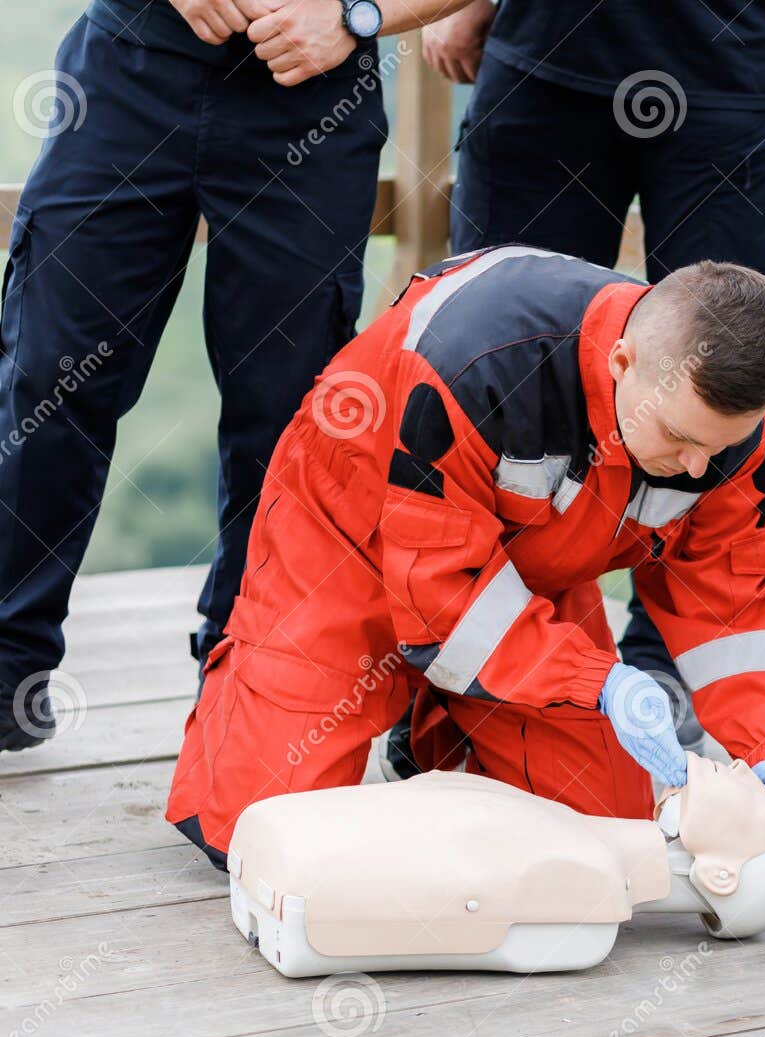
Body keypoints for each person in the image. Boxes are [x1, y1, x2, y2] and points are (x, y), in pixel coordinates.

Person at [165, 251, 765, 868]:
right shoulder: (475, 363)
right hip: (352, 527)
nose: (696, 465)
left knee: (602, 825)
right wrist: (596, 679)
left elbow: (737, 601)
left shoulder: (719, 432)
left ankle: (441, 717)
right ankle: (384, 687)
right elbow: (442, 593)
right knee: (262, 829)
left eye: (715, 447)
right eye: (681, 438)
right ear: (623, 362)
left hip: (526, 569)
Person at [0, 0, 469, 753]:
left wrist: (360, 15)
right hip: (131, 64)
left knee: (286, 413)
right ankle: (5, 669)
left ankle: (243, 685)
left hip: (311, 85)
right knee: (49, 374)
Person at [412, 0, 765, 753]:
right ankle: (470, 692)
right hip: (553, 50)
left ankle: (664, 671)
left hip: (741, 68)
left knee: (714, 390)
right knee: (502, 383)